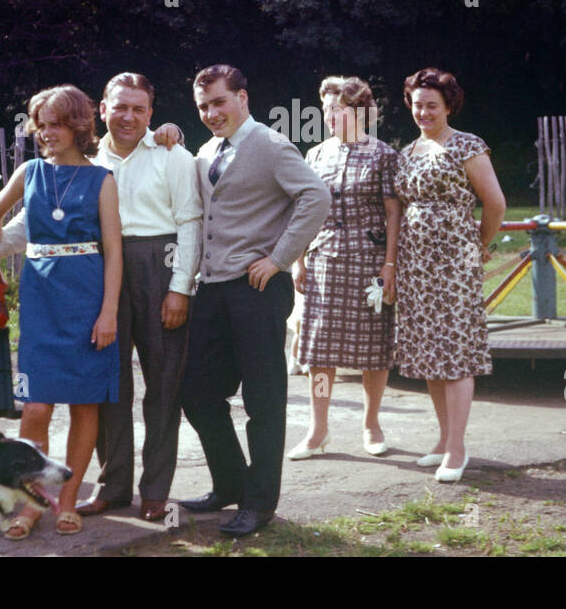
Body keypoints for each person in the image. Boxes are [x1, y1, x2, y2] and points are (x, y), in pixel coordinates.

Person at [178, 64, 330, 536]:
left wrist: (280, 257)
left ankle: (260, 503)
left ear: (242, 97)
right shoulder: (206, 150)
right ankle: (230, 485)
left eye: (219, 102)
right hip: (214, 287)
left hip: (259, 288)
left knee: (263, 399)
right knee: (198, 393)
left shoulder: (269, 144)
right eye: (203, 106)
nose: (211, 113)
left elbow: (316, 196)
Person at [0, 85, 123, 538]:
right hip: (40, 298)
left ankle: (67, 500)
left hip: (87, 298)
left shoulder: (102, 179)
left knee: (83, 404)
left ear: (79, 125)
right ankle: (31, 503)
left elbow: (115, 253)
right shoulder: (30, 171)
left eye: (56, 124)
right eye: (40, 125)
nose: (46, 133)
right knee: (36, 406)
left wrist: (109, 313)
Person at [68, 74, 203, 523]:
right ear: (101, 109)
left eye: (139, 109)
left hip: (159, 266)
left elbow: (190, 222)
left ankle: (155, 490)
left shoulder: (173, 154)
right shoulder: (85, 157)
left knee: (163, 384)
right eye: (120, 107)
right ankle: (114, 485)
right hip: (103, 269)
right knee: (109, 382)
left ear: (151, 113)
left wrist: (180, 287)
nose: (129, 117)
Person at [394, 67, 505, 483]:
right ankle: (442, 440)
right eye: (418, 105)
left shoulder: (466, 146)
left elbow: (494, 204)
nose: (423, 112)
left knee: (455, 351)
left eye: (432, 105)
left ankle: (457, 449)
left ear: (448, 106)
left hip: (454, 264)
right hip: (415, 265)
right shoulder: (407, 152)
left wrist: (479, 246)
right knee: (429, 352)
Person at [290, 76, 399, 459]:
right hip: (323, 262)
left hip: (368, 261)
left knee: (373, 346)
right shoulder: (316, 155)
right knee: (320, 352)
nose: (329, 118)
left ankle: (371, 423)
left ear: (358, 112)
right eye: (325, 111)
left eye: (336, 110)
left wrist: (390, 265)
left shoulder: (383, 154)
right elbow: (305, 211)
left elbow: (392, 213)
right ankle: (318, 430)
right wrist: (299, 261)